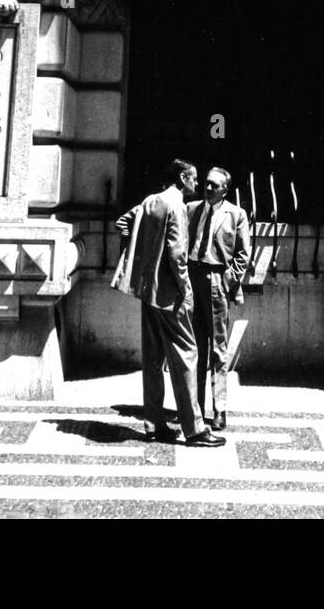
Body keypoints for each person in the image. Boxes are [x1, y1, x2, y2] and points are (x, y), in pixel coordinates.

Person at [113, 160, 225, 447]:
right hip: (170, 295)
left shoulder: (151, 200)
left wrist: (139, 261)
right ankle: (196, 430)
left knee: (152, 361)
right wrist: (185, 289)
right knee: (187, 355)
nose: (197, 184)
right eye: (194, 178)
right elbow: (177, 256)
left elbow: (123, 223)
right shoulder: (176, 205)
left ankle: (154, 425)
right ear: (182, 177)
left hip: (148, 292)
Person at [187, 166, 251, 431]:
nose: (209, 188)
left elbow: (243, 254)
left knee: (218, 350)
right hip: (193, 279)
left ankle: (219, 408)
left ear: (226, 189)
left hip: (217, 282)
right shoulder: (191, 209)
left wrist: (226, 282)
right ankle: (197, 407)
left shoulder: (236, 215)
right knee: (195, 347)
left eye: (215, 185)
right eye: (207, 183)